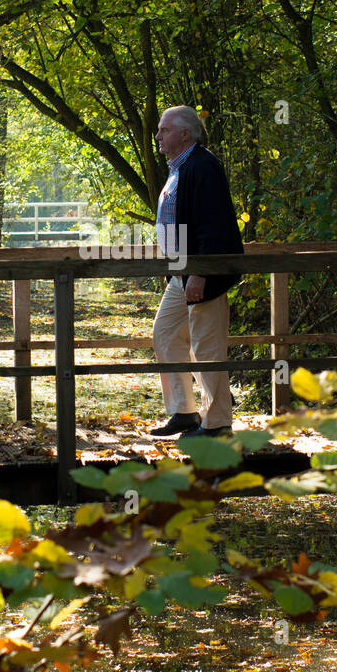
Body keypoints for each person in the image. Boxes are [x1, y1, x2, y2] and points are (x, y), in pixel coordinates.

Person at [147, 106, 244, 439]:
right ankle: (184, 412)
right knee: (166, 333)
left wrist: (201, 272)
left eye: (164, 130)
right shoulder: (180, 167)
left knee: (207, 346)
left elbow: (214, 225)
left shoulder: (203, 166)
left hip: (202, 272)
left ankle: (217, 423)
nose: (158, 136)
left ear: (185, 134)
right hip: (182, 271)